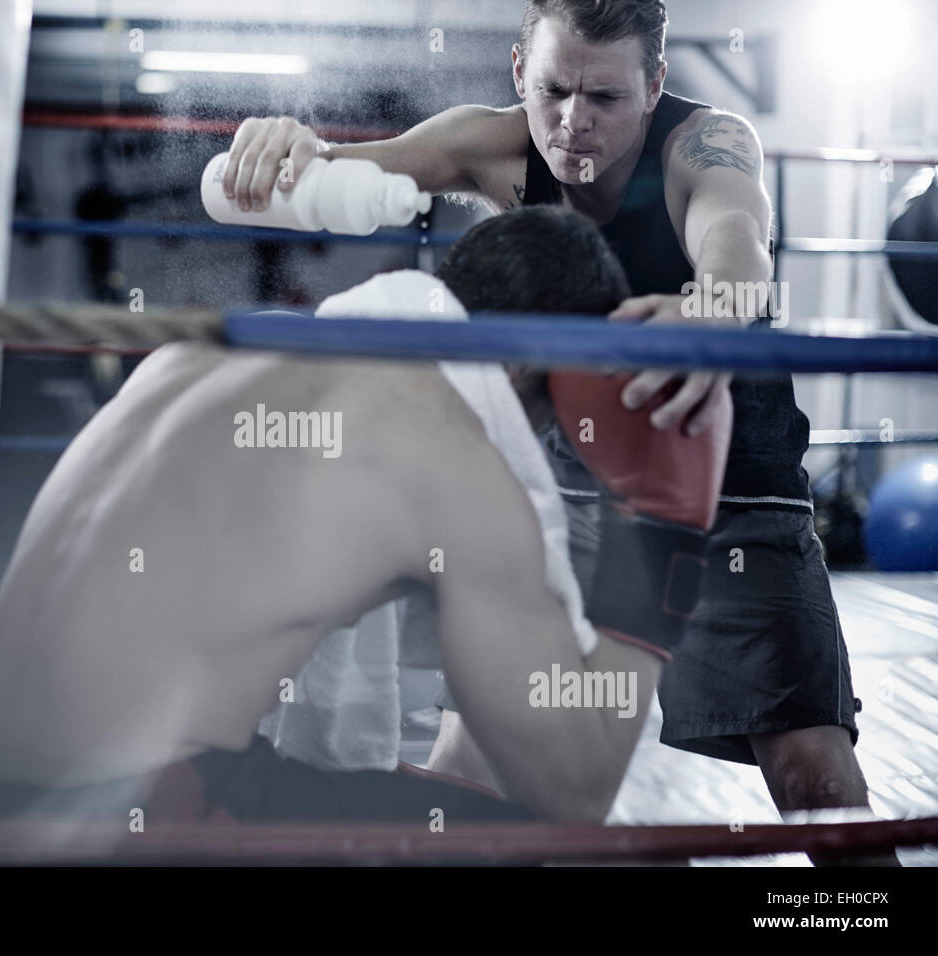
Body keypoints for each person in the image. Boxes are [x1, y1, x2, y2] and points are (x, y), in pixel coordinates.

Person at [222, 0, 880, 863]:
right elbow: (328, 174)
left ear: (654, 85)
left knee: (815, 780)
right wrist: (286, 145)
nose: (573, 121)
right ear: (517, 74)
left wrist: (705, 311)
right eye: (554, 90)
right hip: (562, 494)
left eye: (605, 98)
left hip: (731, 496)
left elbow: (737, 241)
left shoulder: (704, 147)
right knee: (472, 767)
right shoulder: (487, 145)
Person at [0, 207, 730, 827]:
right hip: (124, 817)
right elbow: (577, 791)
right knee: (602, 860)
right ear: (537, 368)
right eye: (548, 422)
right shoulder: (447, 456)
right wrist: (665, 526)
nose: (533, 448)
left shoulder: (211, 352)